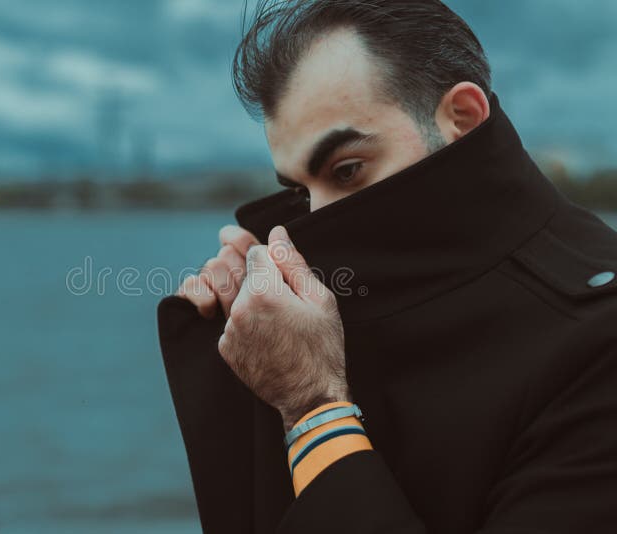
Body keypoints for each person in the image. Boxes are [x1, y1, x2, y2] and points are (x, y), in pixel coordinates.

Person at [157, 1, 617, 532]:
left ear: (461, 119)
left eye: (348, 170)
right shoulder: (358, 304)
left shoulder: (600, 341)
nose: (319, 225)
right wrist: (250, 365)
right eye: (302, 194)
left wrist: (313, 410)